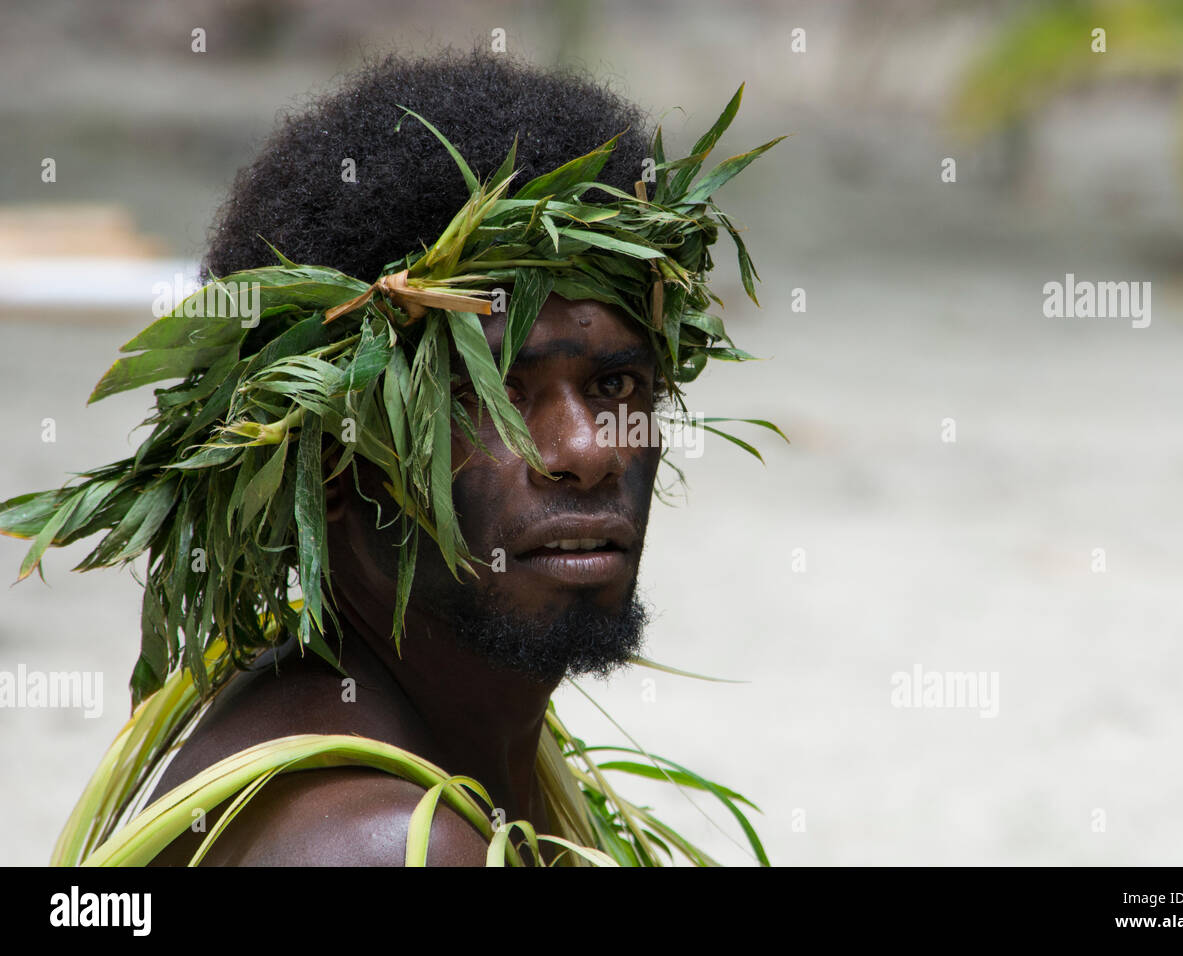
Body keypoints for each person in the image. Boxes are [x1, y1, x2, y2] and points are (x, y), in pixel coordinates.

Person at [4, 47, 782, 867]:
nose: (587, 452)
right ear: (328, 462)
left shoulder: (445, 734)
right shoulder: (383, 846)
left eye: (616, 383)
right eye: (486, 392)